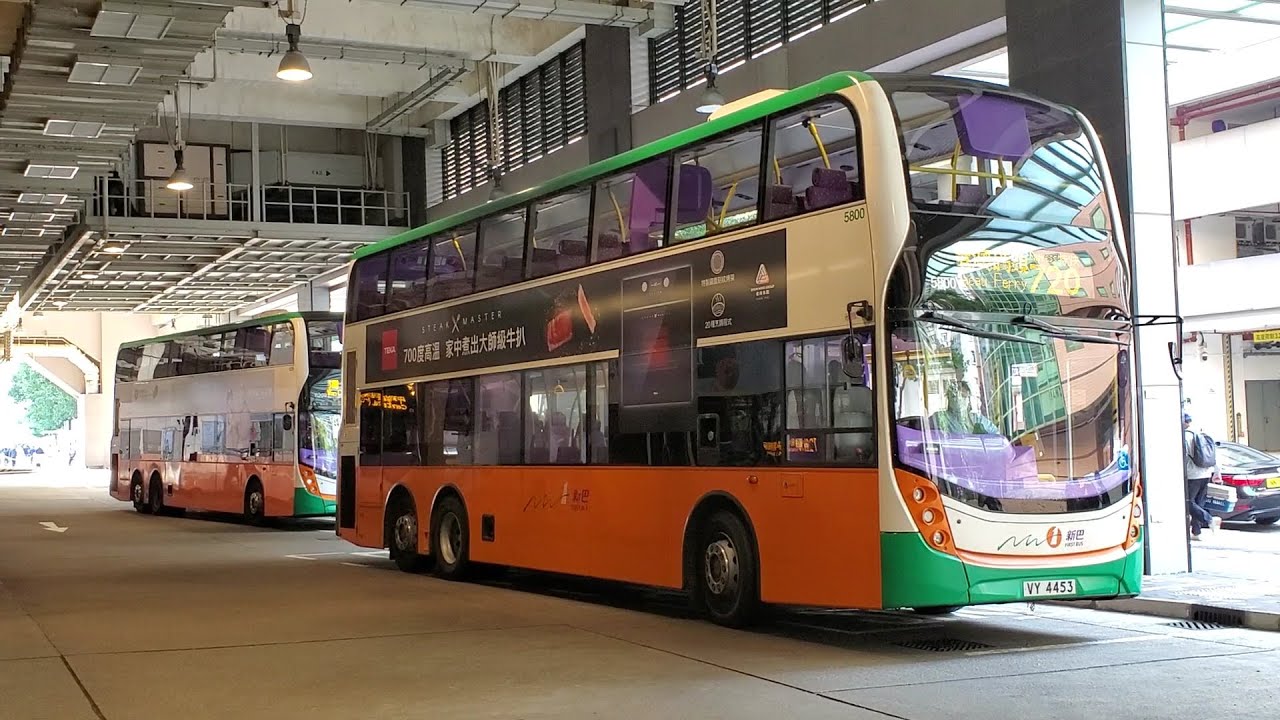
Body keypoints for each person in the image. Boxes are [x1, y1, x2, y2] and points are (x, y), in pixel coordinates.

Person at [1183, 412, 1221, 540]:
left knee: (1187, 502)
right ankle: (1197, 532)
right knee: (1199, 503)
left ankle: (1209, 519)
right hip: (1206, 472)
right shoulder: (1202, 434)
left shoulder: (1184, 437)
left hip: (1192, 475)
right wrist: (1217, 472)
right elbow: (1214, 455)